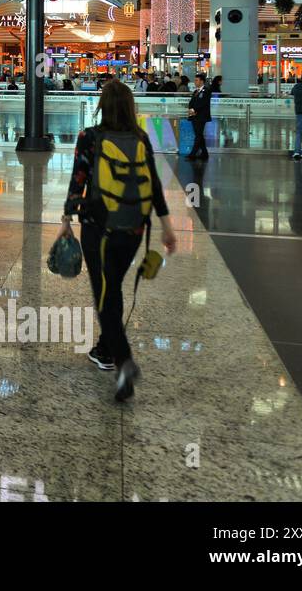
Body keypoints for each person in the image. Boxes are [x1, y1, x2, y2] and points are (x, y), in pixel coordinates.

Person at [59, 79, 177, 401]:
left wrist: (67, 219)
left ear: (102, 105)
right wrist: (167, 227)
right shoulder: (140, 137)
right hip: (134, 231)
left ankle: (123, 360)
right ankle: (105, 348)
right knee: (113, 287)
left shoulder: (90, 137)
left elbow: (78, 179)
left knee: (104, 293)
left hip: (100, 228)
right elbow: (153, 185)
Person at [186, 72, 211, 159]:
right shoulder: (196, 91)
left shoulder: (206, 91)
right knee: (199, 135)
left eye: (196, 80)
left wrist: (194, 110)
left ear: (201, 81)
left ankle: (193, 154)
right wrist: (191, 109)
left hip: (201, 116)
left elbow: (203, 103)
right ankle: (204, 153)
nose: (195, 82)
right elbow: (191, 102)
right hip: (194, 116)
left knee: (198, 135)